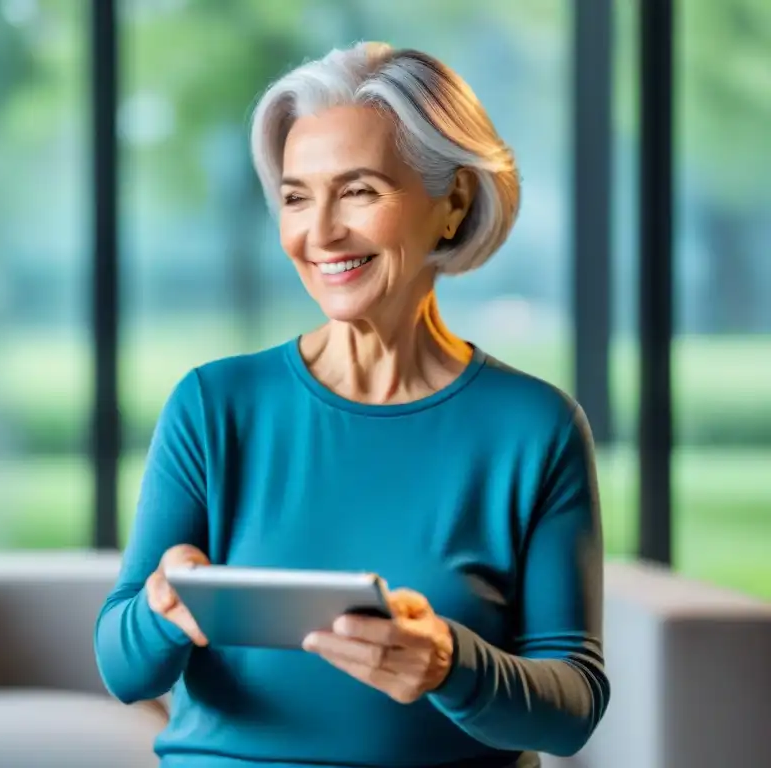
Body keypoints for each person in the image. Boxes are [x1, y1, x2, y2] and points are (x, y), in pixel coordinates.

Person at [95, 42, 610, 768]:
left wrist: (448, 665)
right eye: (297, 196)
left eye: (359, 190)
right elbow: (121, 669)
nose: (320, 233)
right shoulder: (214, 406)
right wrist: (160, 610)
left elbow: (573, 711)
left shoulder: (534, 428)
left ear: (453, 201)